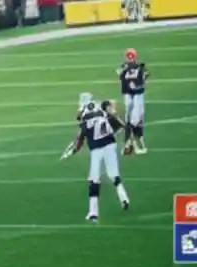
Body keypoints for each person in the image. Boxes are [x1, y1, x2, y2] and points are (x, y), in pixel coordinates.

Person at [61, 94, 131, 222]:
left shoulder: (84, 115)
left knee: (94, 180)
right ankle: (124, 198)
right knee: (114, 175)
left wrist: (72, 151)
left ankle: (93, 213)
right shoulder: (99, 107)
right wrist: (115, 114)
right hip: (110, 143)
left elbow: (80, 139)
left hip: (97, 148)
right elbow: (111, 102)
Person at [118, 48, 149, 153]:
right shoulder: (125, 68)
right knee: (133, 120)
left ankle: (131, 143)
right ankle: (131, 145)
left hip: (135, 94)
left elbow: (145, 75)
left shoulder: (138, 67)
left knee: (134, 119)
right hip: (132, 94)